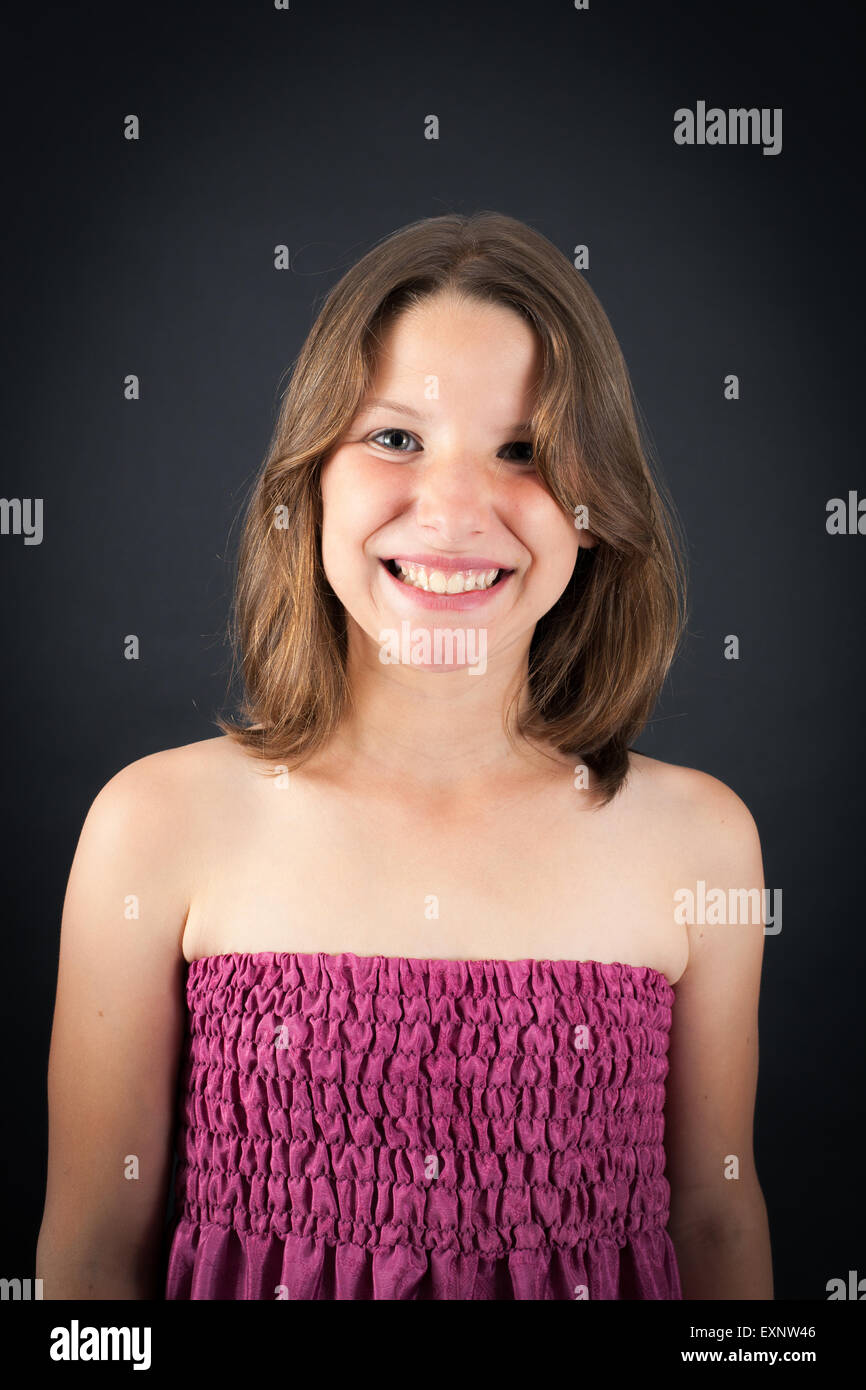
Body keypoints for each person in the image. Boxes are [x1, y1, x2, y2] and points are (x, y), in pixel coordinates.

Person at [36, 211, 773, 1299]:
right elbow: (91, 1253)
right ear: (311, 480)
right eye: (393, 438)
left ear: (593, 505)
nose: (454, 511)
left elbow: (715, 1218)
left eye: (522, 451)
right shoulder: (152, 827)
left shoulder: (701, 843)